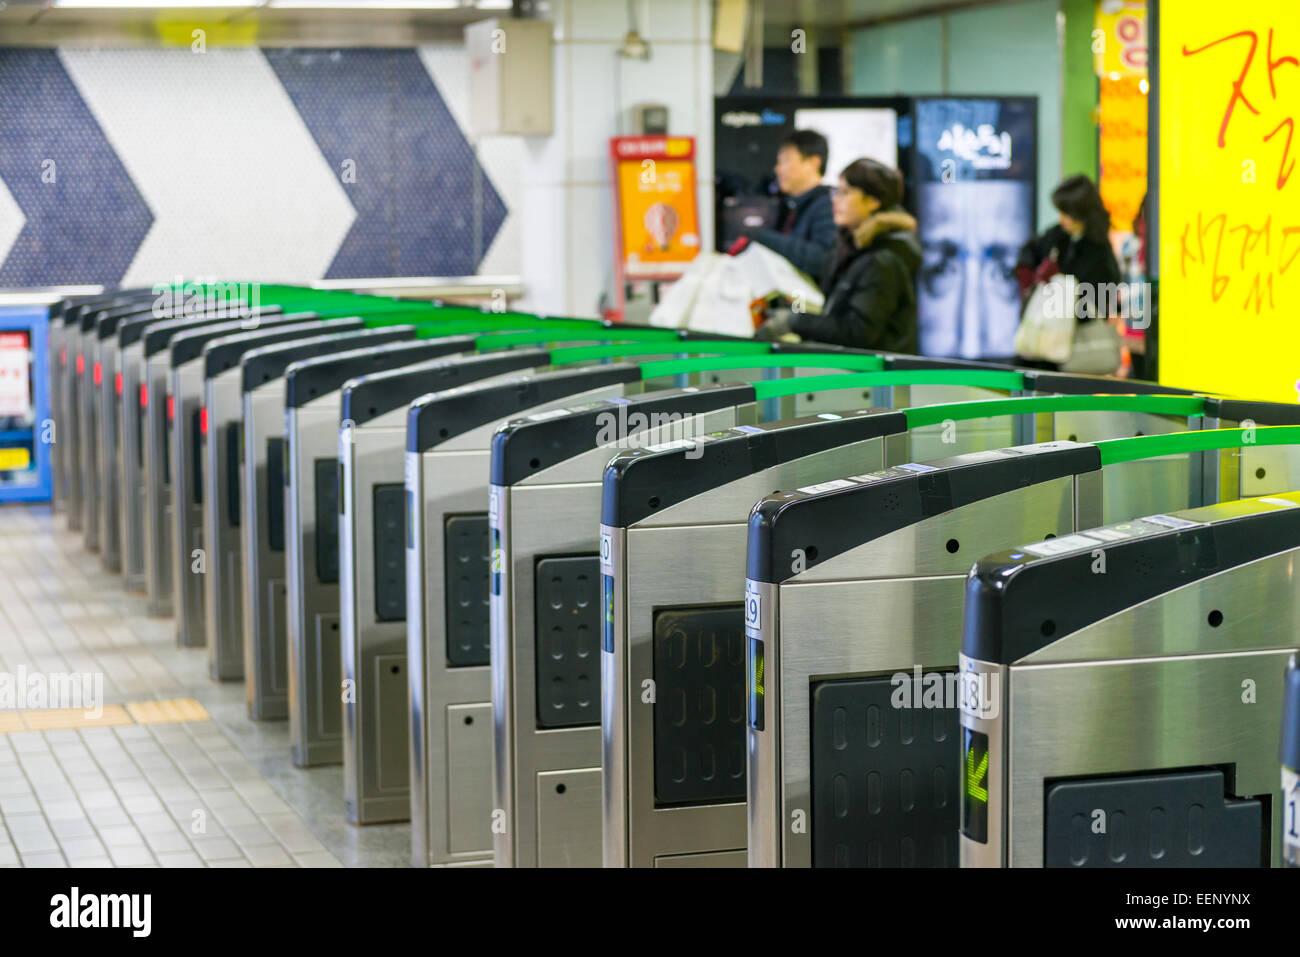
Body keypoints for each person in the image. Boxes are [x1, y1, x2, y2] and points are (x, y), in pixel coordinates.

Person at [755, 158, 920, 352]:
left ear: (873, 201)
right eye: (835, 191)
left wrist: (795, 321)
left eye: (845, 192)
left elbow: (858, 332)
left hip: (877, 379)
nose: (835, 199)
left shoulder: (884, 257)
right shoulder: (850, 246)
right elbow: (837, 315)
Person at [1013, 174, 1122, 368]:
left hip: (1074, 345)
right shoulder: (1057, 235)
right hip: (1041, 340)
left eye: (1066, 213)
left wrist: (1065, 289)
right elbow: (1029, 253)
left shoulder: (1099, 251)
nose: (1062, 219)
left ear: (1081, 213)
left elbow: (1104, 296)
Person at [735, 130, 837, 281]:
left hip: (804, 301)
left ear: (813, 163)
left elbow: (822, 258)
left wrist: (761, 237)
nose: (778, 169)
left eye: (786, 161)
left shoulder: (827, 206)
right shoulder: (793, 205)